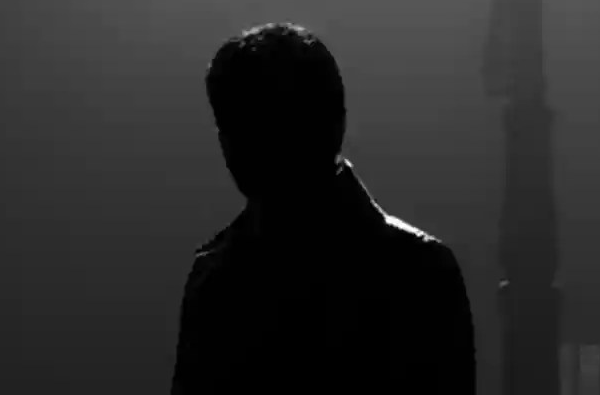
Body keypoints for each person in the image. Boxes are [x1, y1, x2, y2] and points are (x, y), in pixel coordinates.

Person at [171, 23, 476, 394]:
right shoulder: (420, 270)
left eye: (270, 126)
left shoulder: (216, 279)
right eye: (235, 126)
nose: (241, 147)